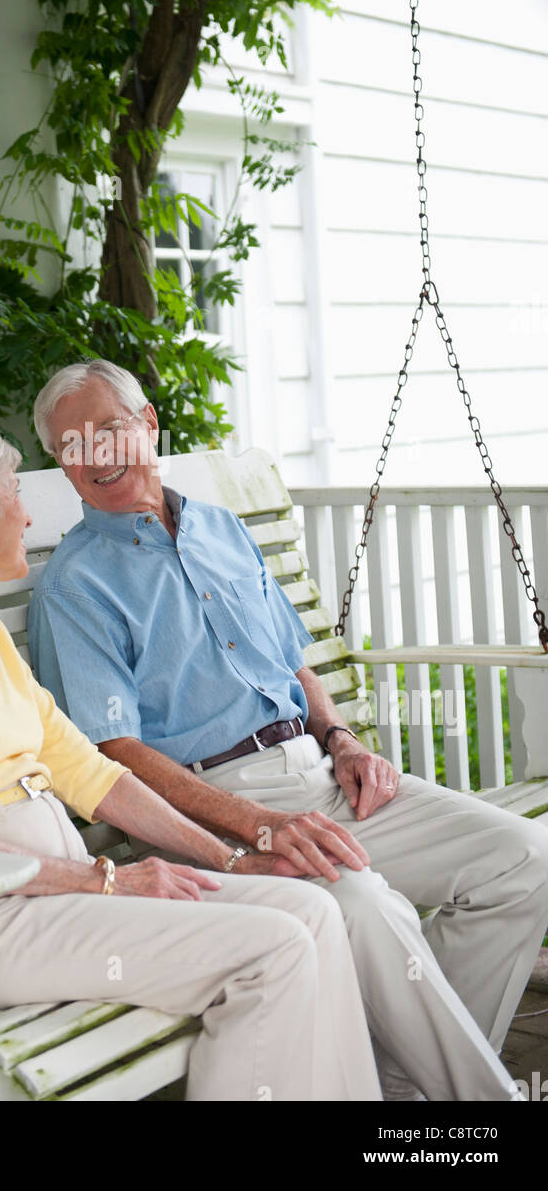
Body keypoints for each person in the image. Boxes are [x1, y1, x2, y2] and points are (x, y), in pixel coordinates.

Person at [0, 411, 383, 1103]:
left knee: (312, 913)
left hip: (54, 902)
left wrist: (231, 857)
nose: (28, 516)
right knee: (271, 952)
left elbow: (91, 773)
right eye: (16, 492)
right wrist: (104, 881)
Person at [27, 359, 547, 1103]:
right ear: (64, 468)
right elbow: (117, 754)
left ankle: (404, 1083)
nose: (97, 454)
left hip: (318, 774)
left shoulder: (221, 530)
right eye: (73, 445)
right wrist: (261, 826)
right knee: (364, 907)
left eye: (109, 429)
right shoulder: (76, 585)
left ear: (148, 426)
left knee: (524, 858)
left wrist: (344, 741)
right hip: (213, 809)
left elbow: (295, 667)